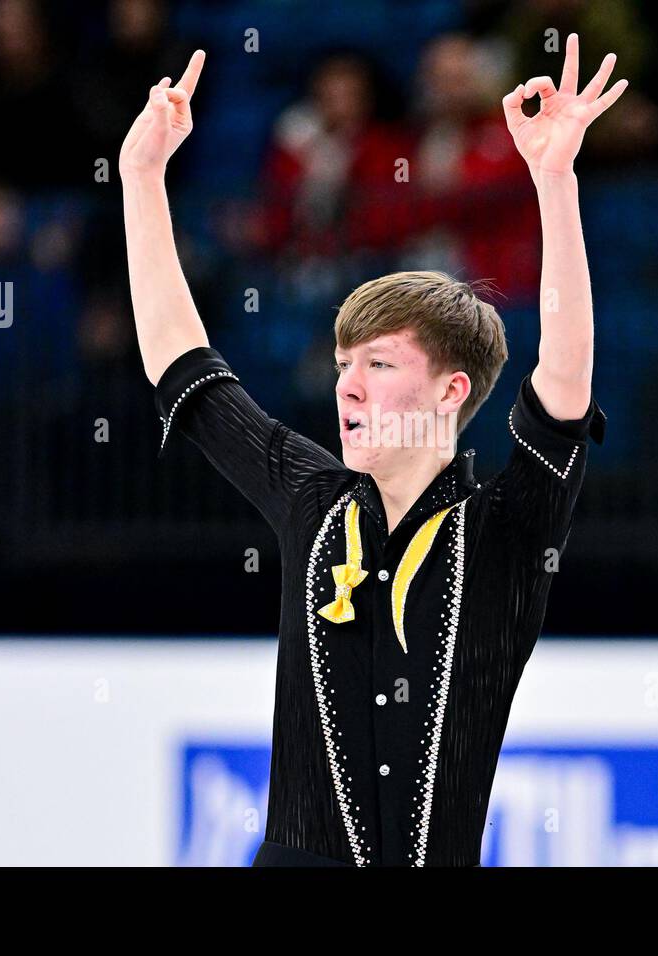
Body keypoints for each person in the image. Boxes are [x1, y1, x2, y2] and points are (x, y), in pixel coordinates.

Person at [120, 36, 622, 866]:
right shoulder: (309, 499)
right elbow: (184, 367)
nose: (346, 387)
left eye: (378, 366)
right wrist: (142, 179)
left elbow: (564, 377)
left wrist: (554, 183)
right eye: (344, 365)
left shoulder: (506, 533)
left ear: (451, 391)